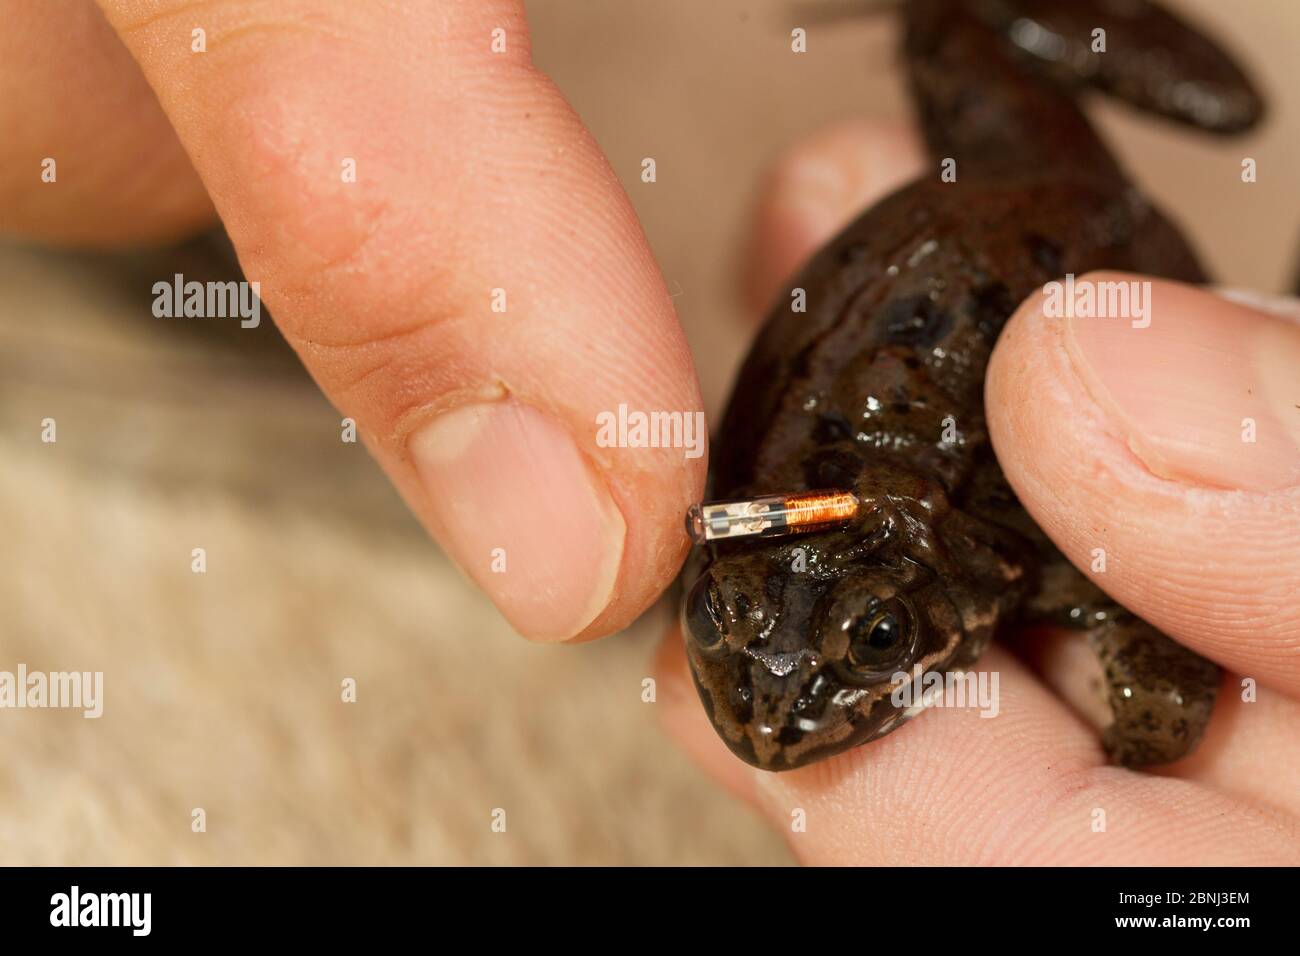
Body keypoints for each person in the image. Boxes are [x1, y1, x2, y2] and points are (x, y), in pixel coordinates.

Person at [5, 0, 1297, 864]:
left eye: (880, 641)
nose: (773, 713)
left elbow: (1161, 646)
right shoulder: (768, 521)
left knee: (1222, 124)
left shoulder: (995, 540)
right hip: (1008, 208)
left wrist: (1151, 727)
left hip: (1103, 255)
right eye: (728, 624)